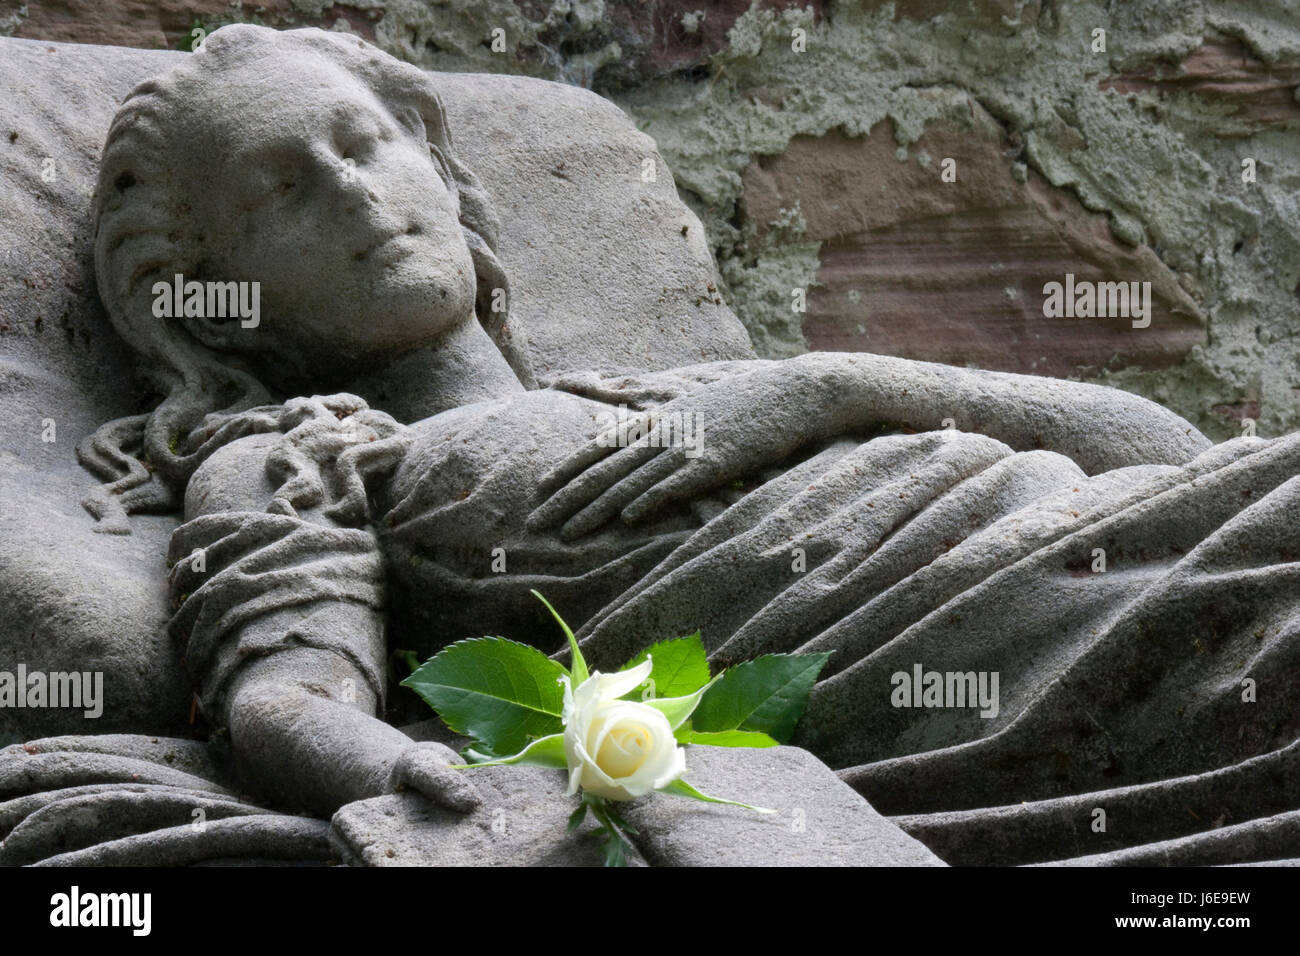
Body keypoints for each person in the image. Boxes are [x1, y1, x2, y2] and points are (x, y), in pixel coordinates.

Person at [82, 25, 1300, 863]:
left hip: (1091, 525)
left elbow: (1162, 444)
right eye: (281, 191)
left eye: (363, 145)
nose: (355, 195)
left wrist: (834, 384)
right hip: (975, 648)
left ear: (437, 165)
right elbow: (285, 690)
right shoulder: (304, 455)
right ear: (205, 292)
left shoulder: (699, 380)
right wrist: (413, 781)